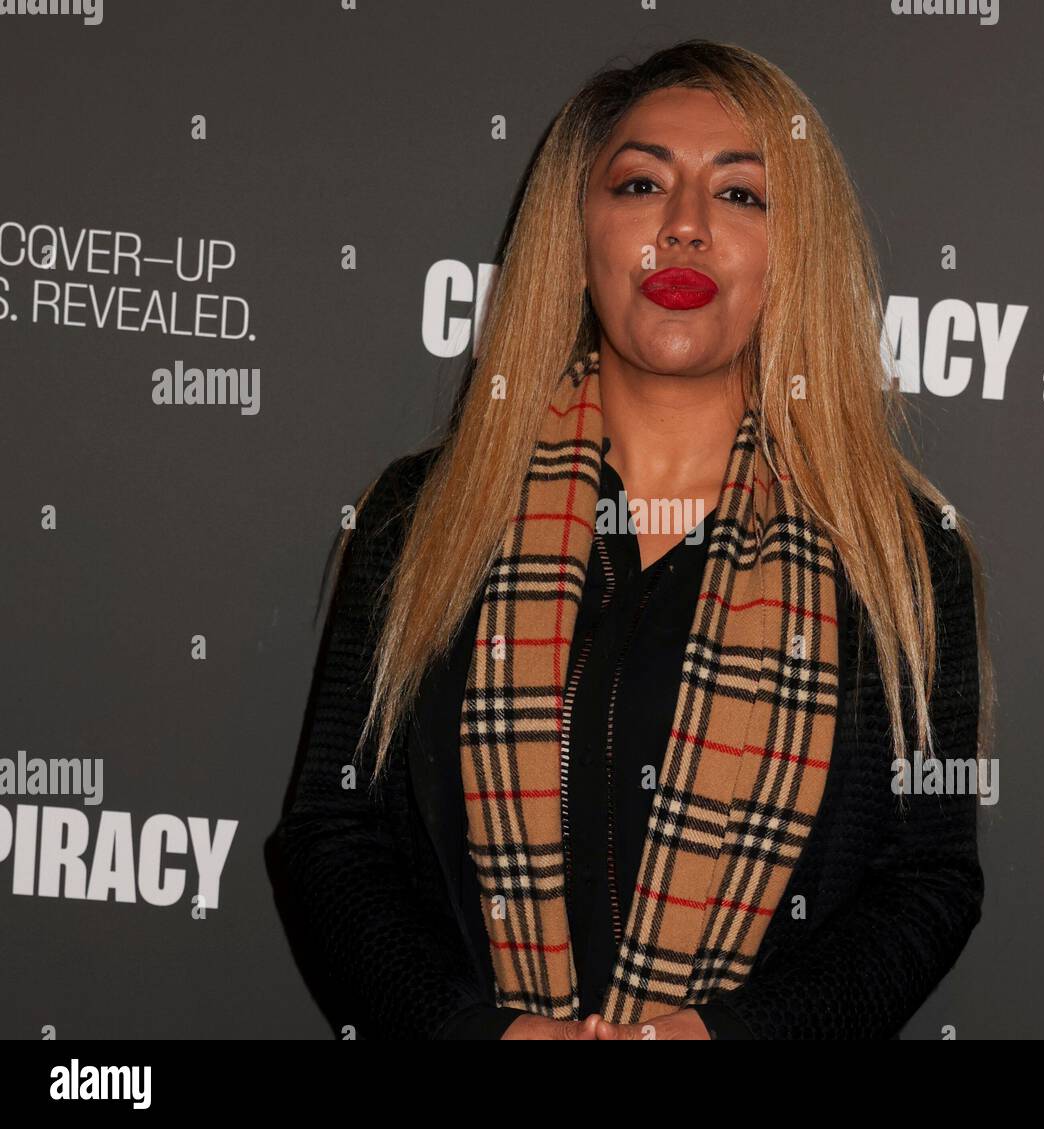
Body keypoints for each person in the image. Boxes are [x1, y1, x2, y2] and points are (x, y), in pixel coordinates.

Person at [271, 39, 995, 1041]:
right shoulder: (422, 516)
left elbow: (926, 882)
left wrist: (724, 1038)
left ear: (797, 253)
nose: (685, 228)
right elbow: (330, 838)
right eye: (642, 183)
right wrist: (481, 1035)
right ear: (575, 235)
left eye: (740, 196)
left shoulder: (899, 552)